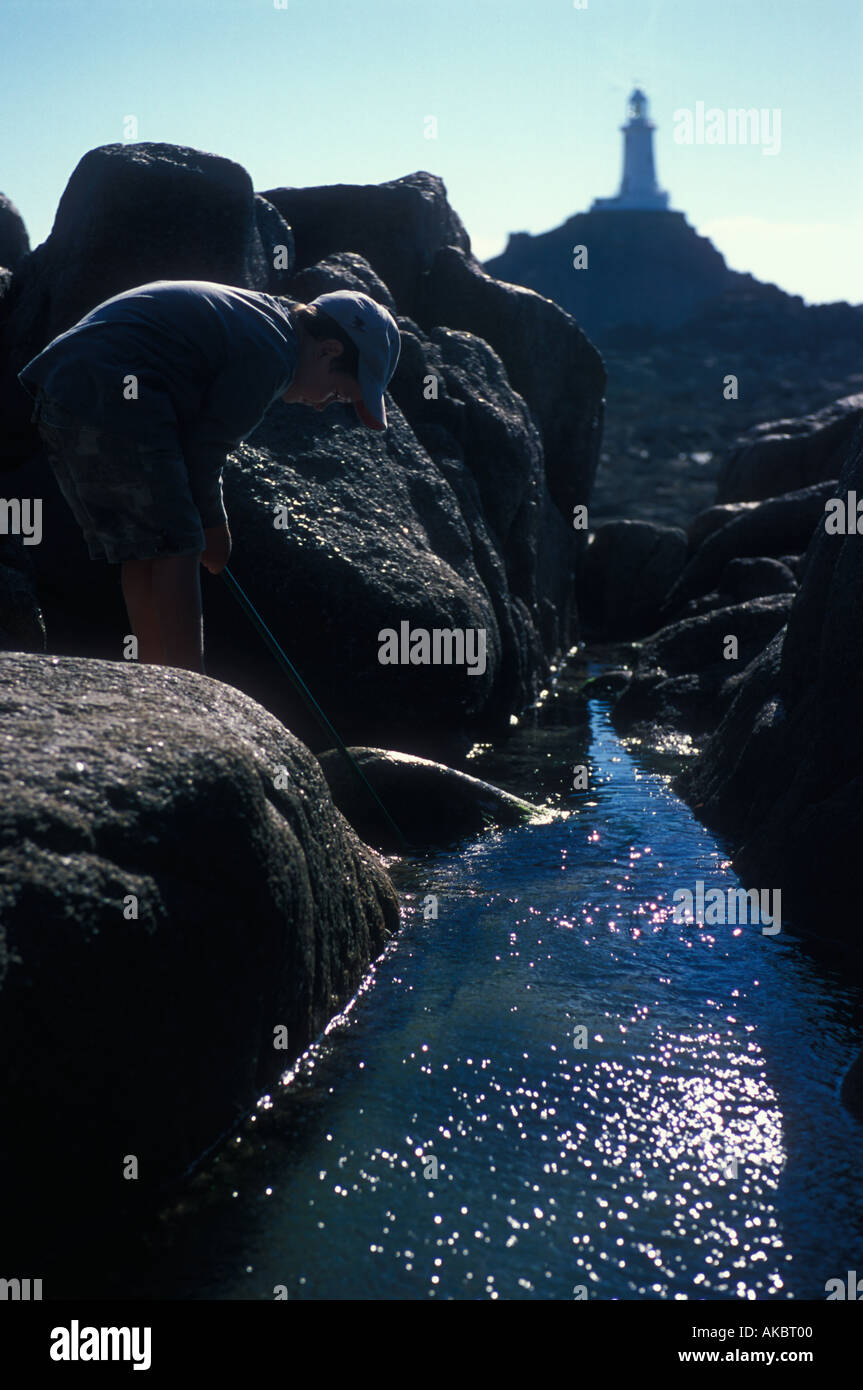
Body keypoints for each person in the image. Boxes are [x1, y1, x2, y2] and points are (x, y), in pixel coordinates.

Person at [17, 280, 401, 672]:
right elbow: (206, 452)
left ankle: (154, 676)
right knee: (180, 543)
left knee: (146, 545)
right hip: (114, 392)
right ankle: (188, 686)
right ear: (327, 350)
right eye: (336, 393)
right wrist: (216, 530)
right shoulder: (272, 355)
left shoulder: (263, 318)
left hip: (62, 392)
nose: (322, 407)